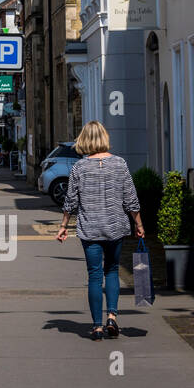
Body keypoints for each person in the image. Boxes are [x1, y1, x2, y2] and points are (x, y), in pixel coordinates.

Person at [56, 121, 144, 340]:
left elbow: (71, 200)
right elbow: (131, 198)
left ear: (84, 140)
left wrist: (63, 226)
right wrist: (139, 224)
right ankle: (112, 317)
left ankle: (96, 327)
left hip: (90, 228)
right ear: (104, 138)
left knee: (94, 275)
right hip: (115, 227)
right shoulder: (120, 164)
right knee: (112, 270)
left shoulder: (79, 167)